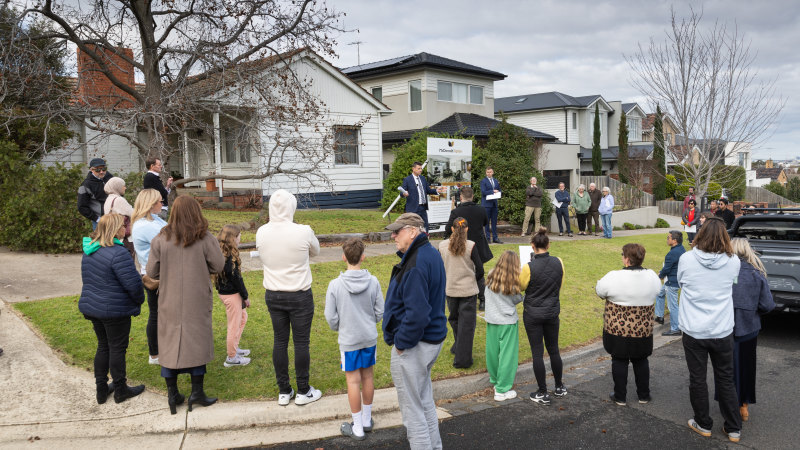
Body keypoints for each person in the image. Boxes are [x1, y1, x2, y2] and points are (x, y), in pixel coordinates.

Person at [146, 195, 225, 415]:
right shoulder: (205, 237)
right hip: (196, 298)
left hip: (169, 298)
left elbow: (151, 272)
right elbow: (218, 265)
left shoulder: (160, 239)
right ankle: (197, 392)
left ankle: (173, 394)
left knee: (169, 341)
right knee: (197, 340)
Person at [383, 213, 447, 450]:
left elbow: (418, 314)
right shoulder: (429, 253)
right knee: (424, 402)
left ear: (412, 231)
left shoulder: (416, 263)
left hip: (416, 345)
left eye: (397, 231)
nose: (393, 236)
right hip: (430, 340)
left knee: (413, 411)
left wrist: (401, 343)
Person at [677, 217, 742, 443]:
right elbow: (732, 283)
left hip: (694, 329)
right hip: (722, 329)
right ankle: (733, 428)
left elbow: (682, 282)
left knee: (698, 378)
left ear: (701, 234)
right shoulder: (733, 261)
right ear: (725, 237)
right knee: (725, 378)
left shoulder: (687, 259)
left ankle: (703, 423)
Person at [255, 189, 322, 406]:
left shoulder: (262, 232)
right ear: (291, 207)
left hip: (274, 294)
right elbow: (316, 251)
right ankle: (303, 390)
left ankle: (284, 391)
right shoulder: (303, 231)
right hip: (299, 294)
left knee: (280, 341)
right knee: (301, 342)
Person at [78, 213, 145, 405]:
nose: (126, 229)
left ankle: (101, 390)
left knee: (103, 346)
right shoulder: (118, 252)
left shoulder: (89, 250)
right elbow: (133, 285)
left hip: (93, 308)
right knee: (117, 348)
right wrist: (139, 300)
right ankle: (120, 390)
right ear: (116, 229)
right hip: (114, 310)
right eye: (123, 226)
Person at [324, 239, 384, 440]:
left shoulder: (335, 285)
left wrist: (340, 327)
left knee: (353, 381)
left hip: (349, 339)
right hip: (368, 338)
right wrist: (370, 323)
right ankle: (366, 419)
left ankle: (358, 426)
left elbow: (330, 316)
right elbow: (380, 310)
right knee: (368, 377)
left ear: (344, 257)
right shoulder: (373, 282)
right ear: (363, 257)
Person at [596, 243, 662, 406]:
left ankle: (620, 396)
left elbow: (600, 291)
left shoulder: (614, 276)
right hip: (642, 329)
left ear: (626, 259)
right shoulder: (652, 276)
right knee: (641, 360)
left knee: (619, 360)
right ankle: (643, 395)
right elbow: (658, 291)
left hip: (618, 329)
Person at [727, 238, 775, 422]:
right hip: (749, 327)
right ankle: (744, 405)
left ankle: (728, 402)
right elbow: (767, 305)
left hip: (726, 326)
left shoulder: (724, 272)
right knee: (747, 367)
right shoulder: (757, 273)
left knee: (726, 367)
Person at [521, 227, 567, 405]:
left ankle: (542, 391)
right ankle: (559, 386)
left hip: (533, 313)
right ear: (548, 245)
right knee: (554, 349)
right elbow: (559, 284)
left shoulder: (528, 267)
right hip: (551, 311)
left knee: (537, 353)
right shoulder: (558, 262)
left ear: (532, 246)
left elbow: (521, 287)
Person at [438, 217, 483, 369]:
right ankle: (463, 360)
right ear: (467, 229)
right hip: (467, 290)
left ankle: (458, 347)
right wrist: (473, 279)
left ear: (452, 229)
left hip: (450, 289)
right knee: (466, 325)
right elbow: (480, 269)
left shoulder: (442, 246)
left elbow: (439, 268)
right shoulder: (471, 246)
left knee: (455, 320)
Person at [130, 189, 167, 366]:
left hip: (162, 271)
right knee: (156, 314)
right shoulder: (144, 225)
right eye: (159, 201)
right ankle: (154, 353)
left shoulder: (154, 219)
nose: (162, 204)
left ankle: (163, 347)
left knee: (162, 313)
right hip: (154, 275)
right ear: (150, 204)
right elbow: (169, 241)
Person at [445, 186, 492, 311]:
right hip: (478, 244)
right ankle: (482, 300)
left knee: (463, 270)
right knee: (479, 271)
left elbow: (448, 229)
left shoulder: (456, 212)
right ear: (473, 196)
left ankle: (471, 296)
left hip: (462, 245)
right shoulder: (481, 209)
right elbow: (485, 223)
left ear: (461, 197)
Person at [484, 250, 523, 402]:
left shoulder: (491, 275)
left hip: (492, 320)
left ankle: (496, 381)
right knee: (508, 356)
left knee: (493, 353)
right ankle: (502, 389)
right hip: (507, 321)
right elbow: (517, 299)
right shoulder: (512, 282)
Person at [214, 225, 251, 368]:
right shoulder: (228, 258)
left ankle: (234, 348)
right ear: (232, 238)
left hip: (229, 293)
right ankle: (231, 357)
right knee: (234, 325)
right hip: (231, 294)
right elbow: (236, 278)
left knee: (243, 318)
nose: (240, 238)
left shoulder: (226, 253)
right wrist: (245, 296)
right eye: (239, 236)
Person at [654, 230, 686, 336]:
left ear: (674, 240)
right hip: (676, 280)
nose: (667, 239)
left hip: (672, 282)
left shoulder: (672, 254)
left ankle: (675, 329)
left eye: (668, 238)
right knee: (659, 293)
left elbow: (667, 269)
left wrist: (660, 275)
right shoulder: (682, 249)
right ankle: (660, 316)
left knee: (673, 306)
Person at [401, 161, 439, 232]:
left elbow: (428, 190)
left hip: (423, 207)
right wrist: (404, 193)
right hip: (413, 208)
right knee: (413, 227)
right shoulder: (407, 180)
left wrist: (437, 190)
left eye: (421, 168)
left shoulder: (423, 178)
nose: (421, 170)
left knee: (425, 226)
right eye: (419, 168)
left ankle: (425, 237)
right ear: (413, 169)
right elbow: (402, 192)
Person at [77, 158, 114, 230]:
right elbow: (81, 206)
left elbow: (120, 192)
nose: (101, 172)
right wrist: (97, 219)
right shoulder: (86, 185)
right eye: (97, 170)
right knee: (101, 238)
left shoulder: (110, 178)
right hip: (100, 222)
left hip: (115, 219)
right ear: (91, 170)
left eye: (104, 169)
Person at [103, 177, 135, 258]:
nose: (125, 188)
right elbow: (134, 214)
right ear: (117, 187)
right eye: (123, 186)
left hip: (113, 235)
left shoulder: (109, 199)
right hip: (124, 237)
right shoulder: (119, 200)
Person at [480, 166, 503, 243]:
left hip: (494, 204)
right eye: (487, 172)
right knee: (487, 222)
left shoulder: (496, 180)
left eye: (490, 172)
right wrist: (492, 191)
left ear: (492, 172)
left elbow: (499, 190)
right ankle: (488, 238)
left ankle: (495, 238)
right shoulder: (483, 181)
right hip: (486, 204)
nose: (489, 173)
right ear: (486, 173)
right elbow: (483, 192)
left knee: (494, 222)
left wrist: (499, 192)